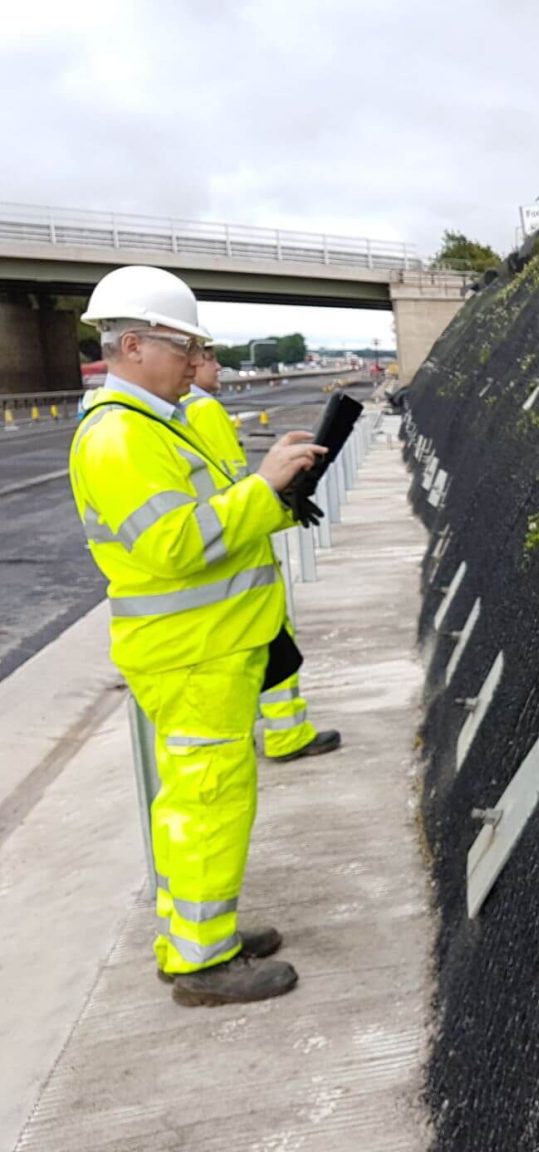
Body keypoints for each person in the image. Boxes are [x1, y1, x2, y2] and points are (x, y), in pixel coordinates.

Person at [69, 266, 326, 1007]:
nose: (194, 359)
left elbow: (219, 524)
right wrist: (261, 485)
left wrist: (280, 497)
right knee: (206, 799)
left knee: (208, 797)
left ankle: (199, 936)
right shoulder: (120, 437)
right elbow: (177, 545)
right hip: (192, 653)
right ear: (132, 345)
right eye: (183, 345)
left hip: (212, 645)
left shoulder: (158, 424)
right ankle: (201, 962)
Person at [186, 351, 342, 763]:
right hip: (240, 567)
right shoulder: (202, 409)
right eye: (207, 357)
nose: (216, 366)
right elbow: (235, 491)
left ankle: (275, 733)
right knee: (273, 651)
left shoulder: (173, 414)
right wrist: (280, 495)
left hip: (219, 571)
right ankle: (286, 734)